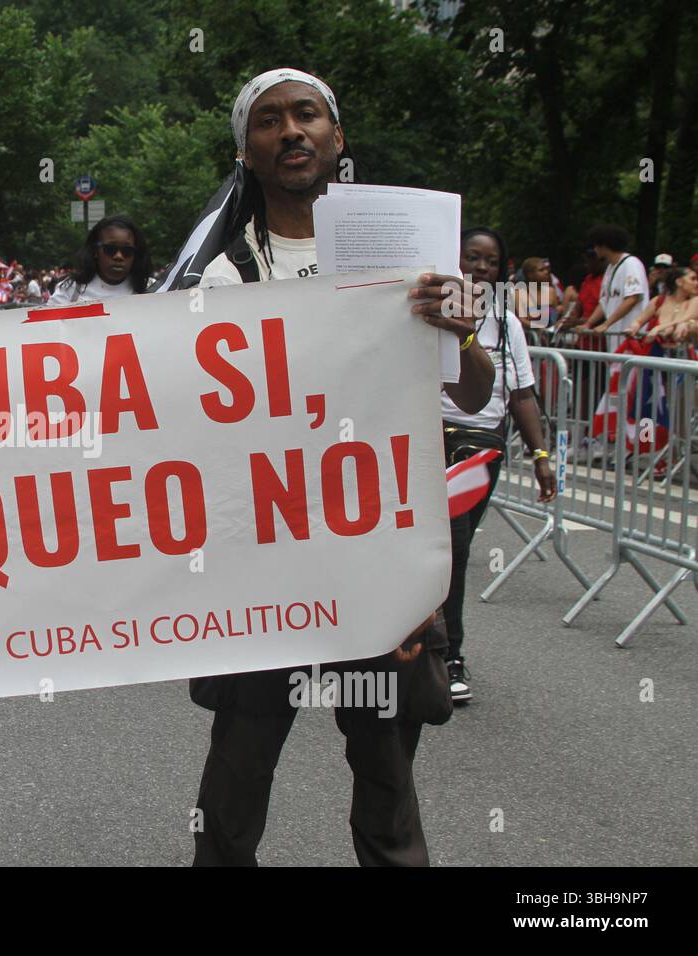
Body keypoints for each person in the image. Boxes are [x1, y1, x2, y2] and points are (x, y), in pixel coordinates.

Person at [184, 68, 496, 867]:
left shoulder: (406, 257)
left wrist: (460, 331)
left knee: (388, 788)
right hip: (264, 569)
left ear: (337, 137)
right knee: (233, 790)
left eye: (307, 115)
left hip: (378, 568)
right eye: (268, 121)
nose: (290, 131)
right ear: (246, 152)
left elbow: (473, 390)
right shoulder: (219, 276)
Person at [442, 228, 556, 703]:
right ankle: (448, 657)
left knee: (452, 547)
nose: (481, 267)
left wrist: (541, 456)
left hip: (484, 448)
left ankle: (427, 644)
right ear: (456, 260)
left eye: (491, 262)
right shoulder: (431, 312)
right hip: (432, 440)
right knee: (456, 545)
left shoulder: (507, 324)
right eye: (472, 257)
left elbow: (522, 395)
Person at [47, 215, 153, 305]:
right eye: (110, 249)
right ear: (96, 251)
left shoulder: (153, 289)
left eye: (127, 251)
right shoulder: (70, 290)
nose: (118, 256)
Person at [576, 224, 647, 349]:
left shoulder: (631, 264)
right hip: (615, 338)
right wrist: (589, 323)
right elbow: (604, 301)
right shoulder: (610, 268)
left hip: (630, 337)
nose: (595, 249)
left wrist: (606, 324)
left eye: (596, 245)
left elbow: (632, 298)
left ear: (603, 246)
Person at [626, 265, 698, 347]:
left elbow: (685, 319)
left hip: (682, 356)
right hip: (654, 354)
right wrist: (634, 327)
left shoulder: (695, 301)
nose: (696, 283)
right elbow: (639, 321)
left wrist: (658, 328)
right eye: (693, 279)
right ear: (679, 282)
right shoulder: (658, 301)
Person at [513, 256, 556, 331]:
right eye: (541, 270)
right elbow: (521, 320)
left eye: (546, 269)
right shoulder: (519, 293)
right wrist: (538, 327)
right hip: (531, 338)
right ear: (530, 274)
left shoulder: (551, 291)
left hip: (550, 336)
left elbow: (555, 315)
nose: (546, 272)